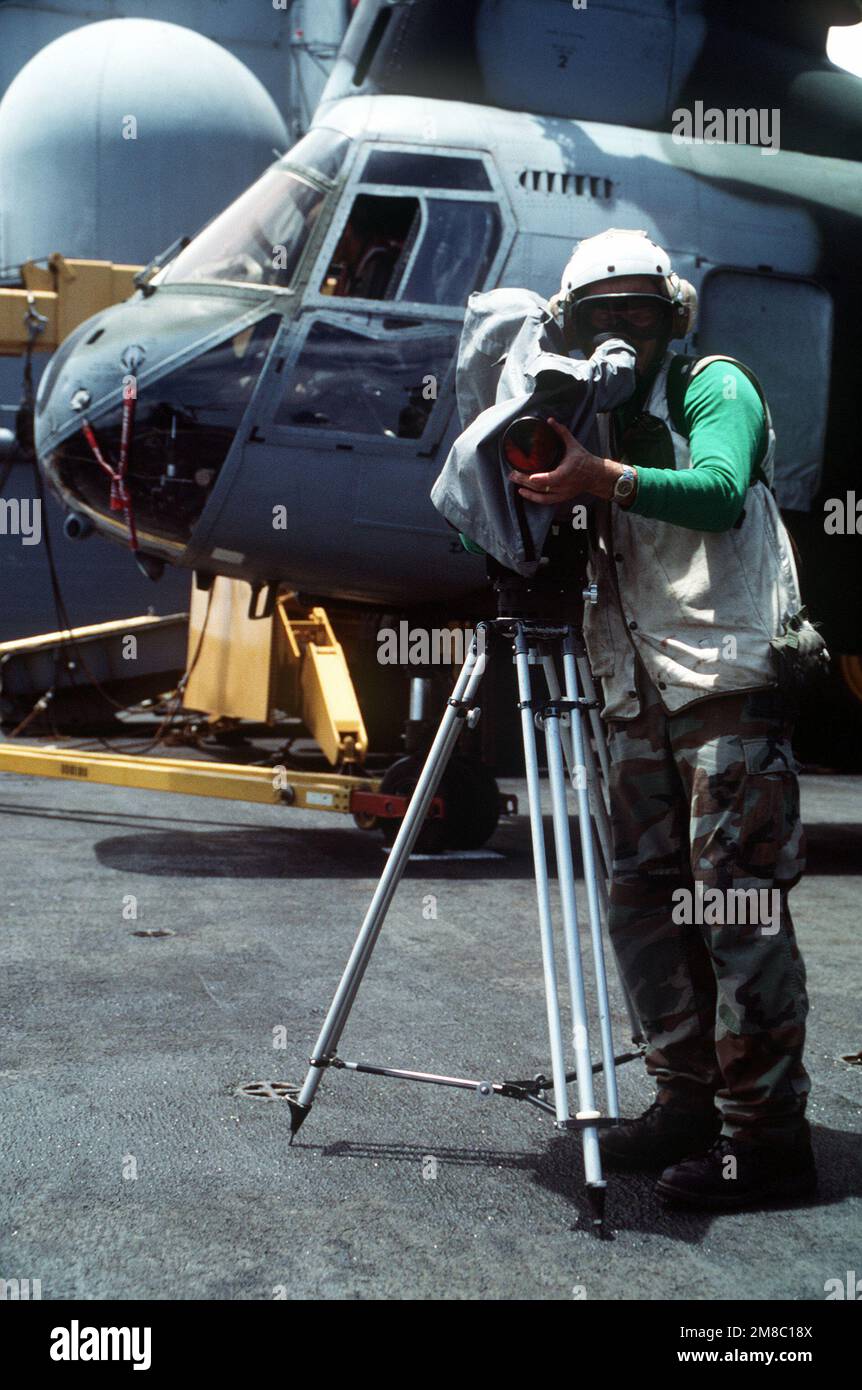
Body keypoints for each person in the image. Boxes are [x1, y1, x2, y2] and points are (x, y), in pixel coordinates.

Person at [501, 227, 814, 1209]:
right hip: (633, 693)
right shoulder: (586, 418)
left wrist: (603, 479)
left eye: (640, 309)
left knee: (733, 905)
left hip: (722, 683)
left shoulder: (709, 387)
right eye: (601, 313)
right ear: (573, 325)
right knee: (642, 898)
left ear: (671, 317)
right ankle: (686, 1101)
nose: (622, 329)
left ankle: (767, 1139)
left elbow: (720, 494)